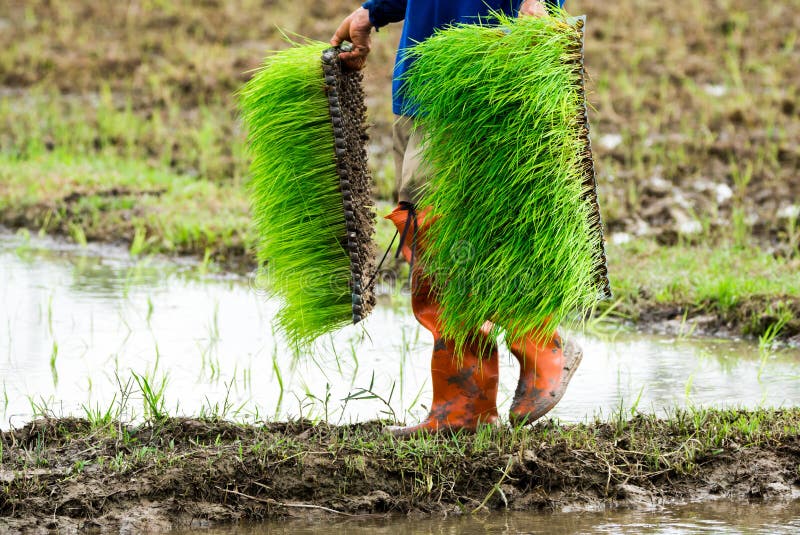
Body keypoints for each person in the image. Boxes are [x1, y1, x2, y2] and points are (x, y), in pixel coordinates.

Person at [330, 0, 582, 435]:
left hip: (492, 70)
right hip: (423, 81)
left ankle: (542, 341)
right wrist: (373, 11)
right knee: (433, 239)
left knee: (471, 232)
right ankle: (463, 404)